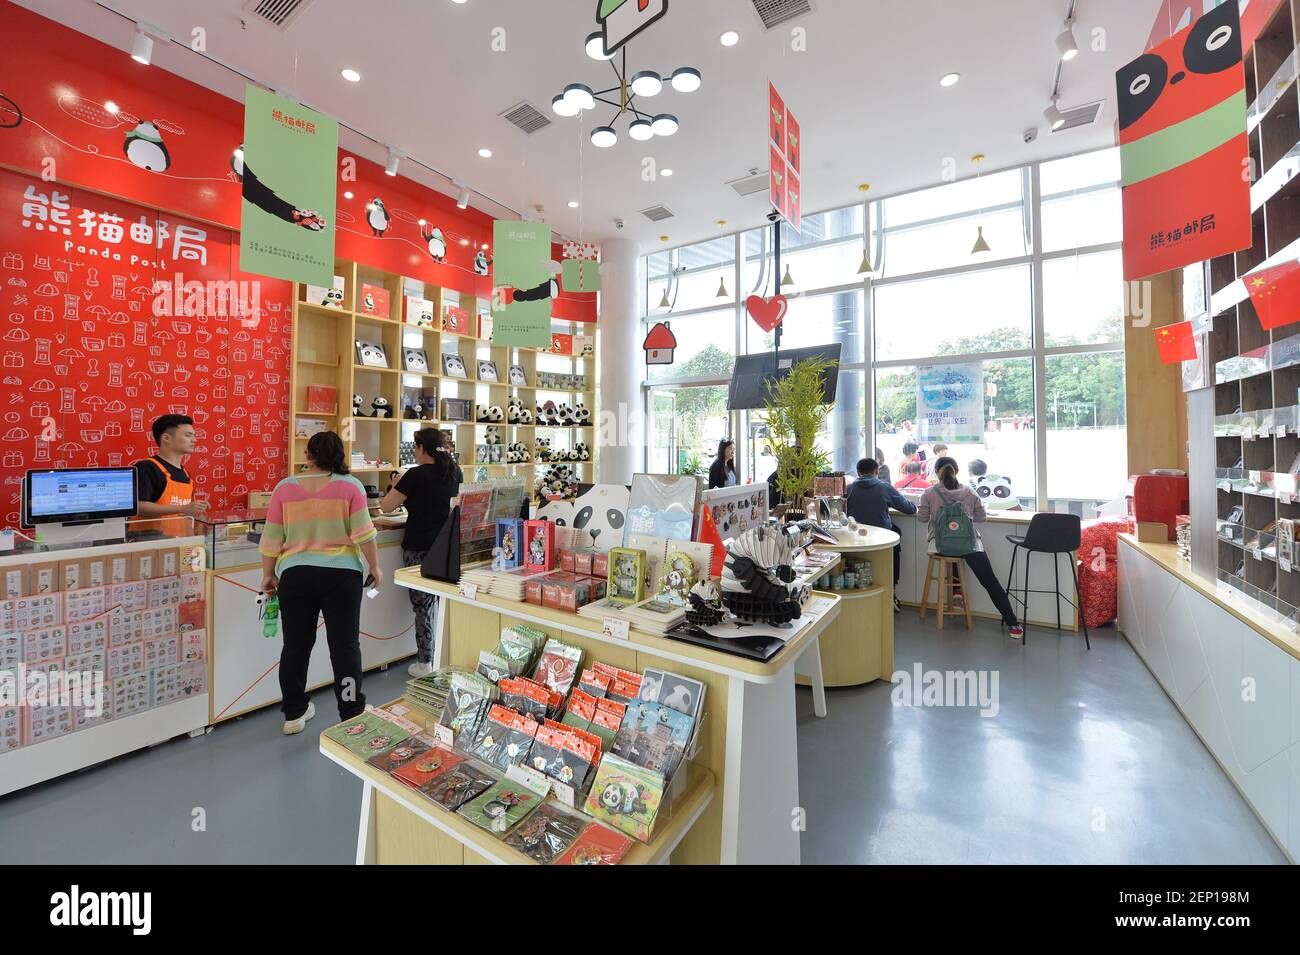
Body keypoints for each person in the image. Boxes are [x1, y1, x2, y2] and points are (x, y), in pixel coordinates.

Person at [259, 431, 381, 735]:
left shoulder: (284, 488)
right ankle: (351, 709)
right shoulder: (350, 486)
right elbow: (364, 533)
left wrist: (268, 574)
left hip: (296, 575)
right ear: (339, 454)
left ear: (309, 455)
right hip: (342, 575)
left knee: (296, 646)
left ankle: (294, 713)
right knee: (345, 646)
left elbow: (271, 538)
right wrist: (375, 567)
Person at [380, 429, 463, 676]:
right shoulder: (454, 471)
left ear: (421, 448)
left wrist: (396, 485)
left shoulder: (415, 475)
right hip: (446, 547)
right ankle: (443, 655)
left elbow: (386, 506)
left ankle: (425, 662)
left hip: (417, 548)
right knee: (441, 603)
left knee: (422, 607)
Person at [916, 457, 1023, 639]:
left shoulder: (928, 493)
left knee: (951, 556)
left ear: (937, 471)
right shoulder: (970, 492)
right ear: (956, 471)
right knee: (990, 582)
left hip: (940, 547)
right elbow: (981, 518)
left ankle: (956, 591)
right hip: (968, 545)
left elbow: (922, 518)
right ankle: (1013, 624)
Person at [846, 457, 916, 611]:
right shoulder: (884, 487)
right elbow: (910, 509)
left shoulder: (850, 488)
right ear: (877, 471)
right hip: (881, 536)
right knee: (896, 537)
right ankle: (892, 591)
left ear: (858, 472)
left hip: (855, 537)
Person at [133, 414, 208, 534]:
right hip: (150, 544)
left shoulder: (185, 473)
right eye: (188, 435)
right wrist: (182, 508)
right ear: (166, 438)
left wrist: (198, 515)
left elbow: (187, 510)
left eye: (194, 436)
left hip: (181, 543)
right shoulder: (147, 467)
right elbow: (138, 506)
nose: (194, 440)